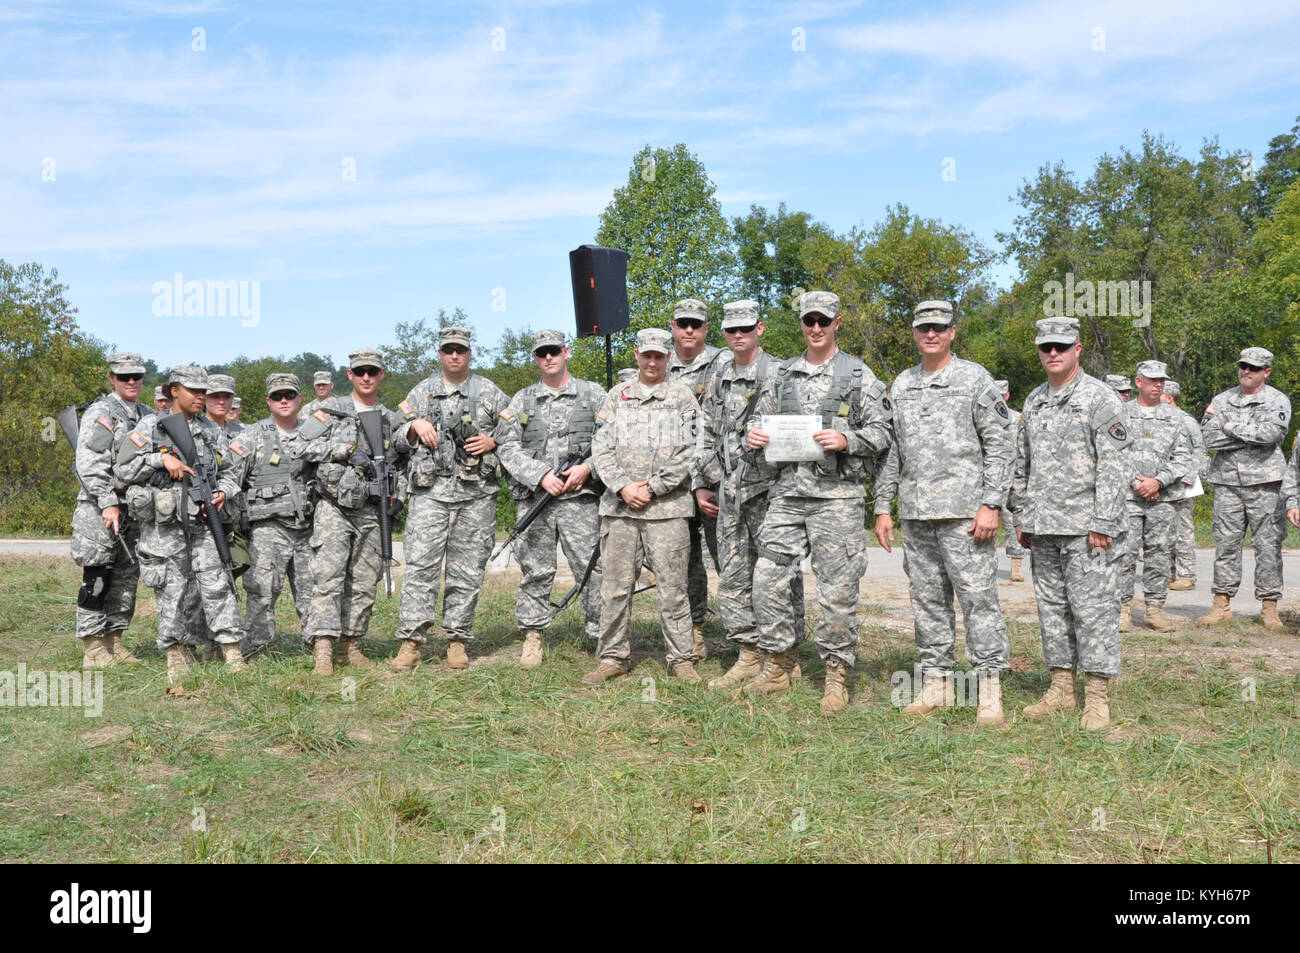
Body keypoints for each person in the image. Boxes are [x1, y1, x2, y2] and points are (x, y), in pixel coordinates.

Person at [746, 291, 892, 715]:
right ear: (801, 324)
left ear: (836, 323)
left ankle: (835, 675)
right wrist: (754, 436)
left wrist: (848, 439)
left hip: (838, 499)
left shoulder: (860, 376)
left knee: (837, 591)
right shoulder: (782, 373)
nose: (815, 328)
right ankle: (779, 664)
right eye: (809, 321)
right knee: (768, 580)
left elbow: (883, 432)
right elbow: (758, 420)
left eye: (823, 321)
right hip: (789, 494)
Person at [873, 301, 1013, 725]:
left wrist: (991, 503)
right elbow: (892, 452)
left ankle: (988, 687)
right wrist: (883, 506)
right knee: (928, 602)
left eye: (939, 327)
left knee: (978, 601)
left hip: (966, 516)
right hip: (917, 514)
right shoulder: (902, 384)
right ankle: (939, 683)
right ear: (914, 334)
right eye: (923, 328)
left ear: (953, 332)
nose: (930, 334)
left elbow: (1000, 445)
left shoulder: (974, 379)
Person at [1012, 318, 1130, 731]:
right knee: (1053, 609)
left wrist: (1104, 520)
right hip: (1043, 526)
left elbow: (1115, 465)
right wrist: (1022, 514)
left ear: (1078, 348)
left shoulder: (1101, 399)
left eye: (1062, 346)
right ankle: (1061, 687)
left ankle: (1097, 697)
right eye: (1046, 347)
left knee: (1094, 611)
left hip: (1087, 528)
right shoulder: (1035, 401)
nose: (1053, 354)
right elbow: (1021, 464)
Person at [694, 300, 804, 690]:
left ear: (760, 328)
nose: (738, 336)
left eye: (746, 328)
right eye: (731, 330)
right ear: (723, 333)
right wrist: (705, 480)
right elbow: (705, 431)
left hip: (771, 493)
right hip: (729, 494)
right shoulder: (719, 374)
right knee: (734, 575)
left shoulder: (781, 374)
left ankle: (785, 657)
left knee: (777, 578)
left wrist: (775, 446)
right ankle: (748, 654)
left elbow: (801, 434)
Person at [583, 328, 701, 684]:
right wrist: (622, 487)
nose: (652, 361)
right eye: (646, 355)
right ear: (636, 356)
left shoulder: (682, 398)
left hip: (668, 510)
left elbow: (692, 451)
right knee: (615, 587)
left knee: (673, 588)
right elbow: (599, 448)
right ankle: (613, 657)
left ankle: (682, 659)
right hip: (620, 510)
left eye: (659, 355)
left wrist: (652, 487)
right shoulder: (617, 396)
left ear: (668, 358)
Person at [114, 365, 246, 682]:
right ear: (174, 390)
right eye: (194, 391)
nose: (202, 397)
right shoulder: (150, 427)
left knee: (218, 586)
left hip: (204, 522)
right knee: (171, 593)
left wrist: (223, 492)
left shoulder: (212, 430)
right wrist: (160, 459)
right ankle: (176, 656)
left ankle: (233, 656)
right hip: (164, 527)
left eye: (204, 392)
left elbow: (229, 471)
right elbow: (121, 469)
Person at [390, 327, 509, 671]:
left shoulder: (489, 392)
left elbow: (515, 428)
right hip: (430, 495)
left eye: (461, 350)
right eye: (448, 350)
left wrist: (493, 442)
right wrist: (413, 428)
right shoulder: (421, 392)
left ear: (469, 354)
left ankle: (457, 640)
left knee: (468, 569)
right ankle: (411, 642)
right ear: (439, 354)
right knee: (421, 568)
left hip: (476, 495)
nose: (454, 355)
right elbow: (394, 438)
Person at [495, 330, 607, 669]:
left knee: (592, 569)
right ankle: (533, 635)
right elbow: (506, 447)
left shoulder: (593, 394)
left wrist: (587, 468)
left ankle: (604, 637)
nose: (549, 358)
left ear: (566, 351)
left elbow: (612, 439)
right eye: (542, 353)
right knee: (535, 569)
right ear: (535, 358)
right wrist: (540, 474)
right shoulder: (522, 400)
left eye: (554, 351)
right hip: (536, 500)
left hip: (581, 500)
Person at [292, 349, 404, 674]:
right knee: (328, 577)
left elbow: (399, 457)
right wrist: (344, 451)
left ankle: (350, 645)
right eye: (360, 372)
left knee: (364, 580)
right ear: (350, 375)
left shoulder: (388, 417)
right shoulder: (331, 410)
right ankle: (323, 650)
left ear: (382, 374)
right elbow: (299, 446)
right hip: (333, 507)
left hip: (371, 509)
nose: (366, 377)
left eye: (372, 371)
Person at [1198, 347, 1292, 630]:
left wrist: (1228, 427)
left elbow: (1270, 435)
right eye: (1243, 366)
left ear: (1266, 372)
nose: (1246, 372)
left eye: (1253, 368)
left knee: (1268, 546)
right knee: (1226, 544)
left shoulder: (1277, 400)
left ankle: (1269, 608)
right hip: (1228, 483)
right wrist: (1246, 433)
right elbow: (1209, 438)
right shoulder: (1222, 399)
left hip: (1266, 484)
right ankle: (1221, 604)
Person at [71, 352, 153, 668]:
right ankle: (92, 648)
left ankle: (114, 640)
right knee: (99, 575)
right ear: (112, 379)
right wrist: (108, 502)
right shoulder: (103, 413)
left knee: (126, 578)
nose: (131, 382)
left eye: (136, 376)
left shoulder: (145, 413)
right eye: (124, 377)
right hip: (101, 509)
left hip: (133, 509)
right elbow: (89, 461)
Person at [229, 373, 317, 658]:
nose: (284, 401)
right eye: (277, 396)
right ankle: (257, 647)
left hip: (308, 527)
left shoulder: (314, 432)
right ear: (268, 401)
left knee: (313, 590)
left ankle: (317, 646)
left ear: (299, 399)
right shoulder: (252, 436)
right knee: (262, 591)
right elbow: (230, 477)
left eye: (289, 395)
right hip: (268, 529)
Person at [667, 297, 730, 658]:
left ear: (706, 328)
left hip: (715, 482)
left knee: (730, 560)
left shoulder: (723, 364)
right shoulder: (659, 364)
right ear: (672, 327)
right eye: (682, 323)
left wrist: (704, 481)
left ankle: (749, 638)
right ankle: (693, 630)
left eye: (696, 324)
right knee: (684, 562)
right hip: (674, 484)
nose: (688, 330)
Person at [1117, 361, 1192, 634]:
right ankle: (1123, 609)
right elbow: (1111, 454)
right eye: (1152, 380)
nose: (1158, 384)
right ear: (1138, 382)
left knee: (1159, 554)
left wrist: (1158, 481)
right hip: (1128, 497)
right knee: (1124, 554)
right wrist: (1137, 483)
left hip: (1163, 498)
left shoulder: (1175, 418)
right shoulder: (1120, 413)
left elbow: (1184, 457)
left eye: (1161, 380)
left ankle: (1154, 610)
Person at [1161, 381, 1208, 591]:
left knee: (1183, 530)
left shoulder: (1186, 421)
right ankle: (1170, 574)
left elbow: (1198, 452)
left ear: (1169, 397)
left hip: (1182, 483)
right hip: (1164, 483)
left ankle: (1187, 575)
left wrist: (1188, 480)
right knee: (1165, 531)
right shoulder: (1161, 418)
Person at [994, 379, 1027, 582]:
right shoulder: (979, 419)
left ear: (1007, 396)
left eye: (1001, 395)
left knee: (1012, 522)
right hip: (984, 480)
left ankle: (1016, 564)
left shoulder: (1018, 419)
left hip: (1010, 480)